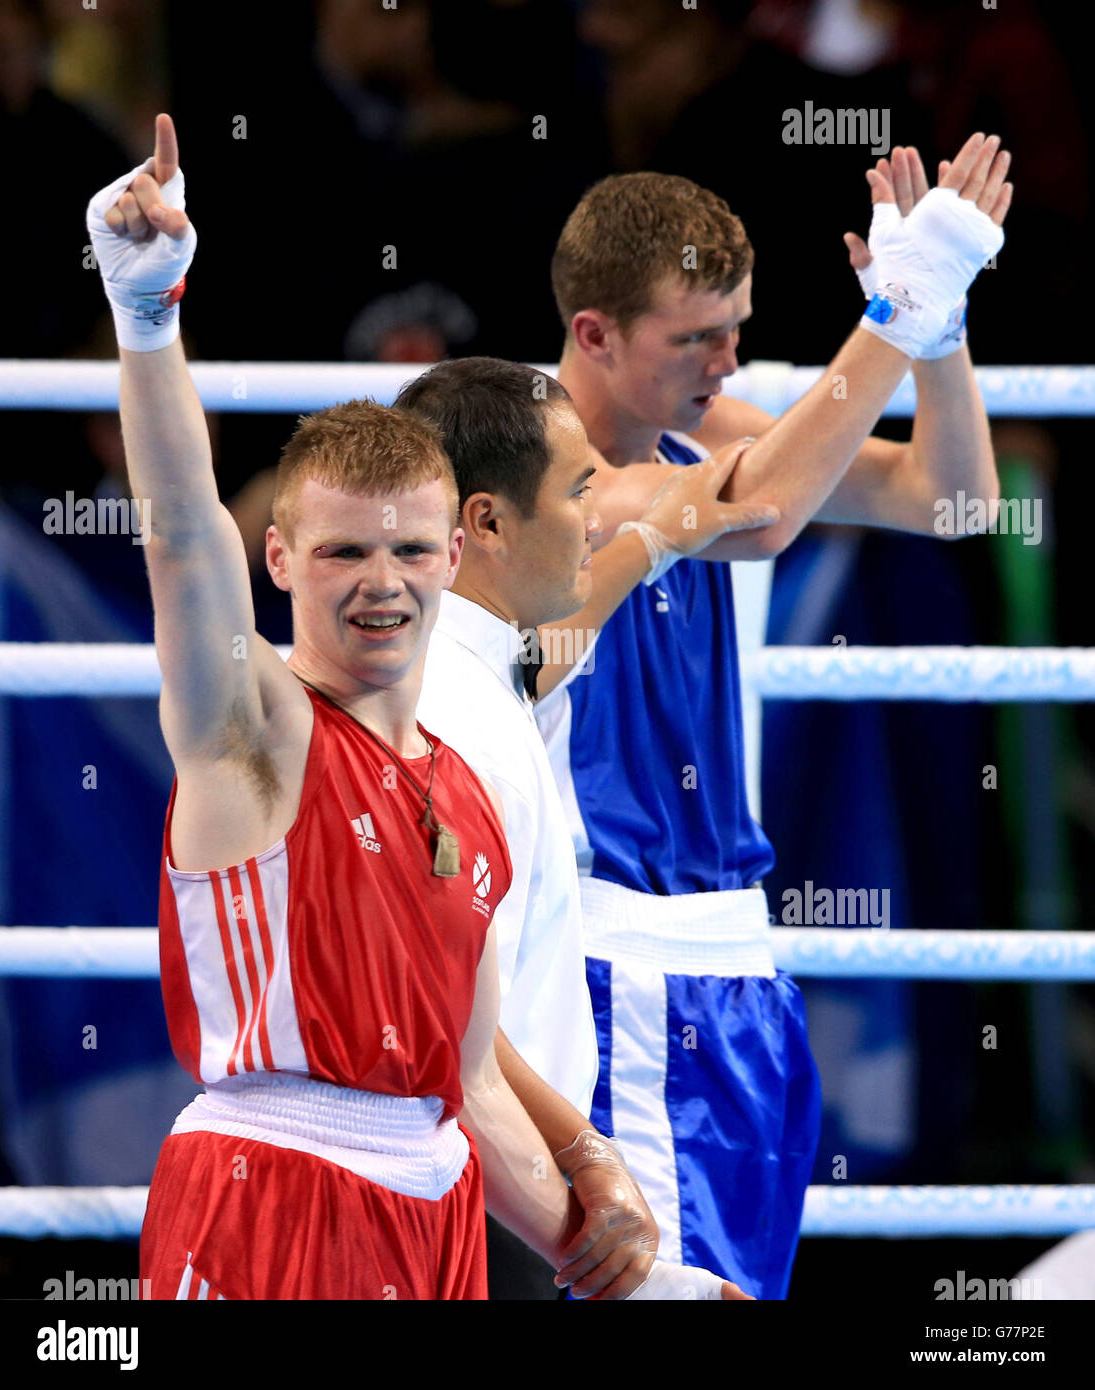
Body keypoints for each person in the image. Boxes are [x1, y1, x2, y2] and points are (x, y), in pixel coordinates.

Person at [87, 114, 749, 1301]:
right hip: (264, 1193)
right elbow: (185, 540)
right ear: (281, 561)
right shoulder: (259, 733)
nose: (378, 581)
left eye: (405, 549)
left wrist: (606, 1225)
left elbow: (466, 1080)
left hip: (436, 1210)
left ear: (457, 551)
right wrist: (150, 318)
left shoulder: (470, 796)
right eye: (342, 551)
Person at [533, 138, 1011, 1298]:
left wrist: (936, 332)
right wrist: (894, 310)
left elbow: (952, 501)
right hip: (610, 956)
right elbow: (761, 515)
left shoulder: (711, 428)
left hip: (731, 952)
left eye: (734, 325)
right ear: (594, 332)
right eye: (690, 337)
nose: (724, 356)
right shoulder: (524, 459)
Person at [398, 355, 776, 1297]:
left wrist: (652, 542)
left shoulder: (475, 681)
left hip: (503, 1183)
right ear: (483, 524)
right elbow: (448, 1032)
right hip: (490, 1191)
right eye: (581, 493)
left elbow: (538, 657)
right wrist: (582, 1182)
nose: (597, 515)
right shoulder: (450, 720)